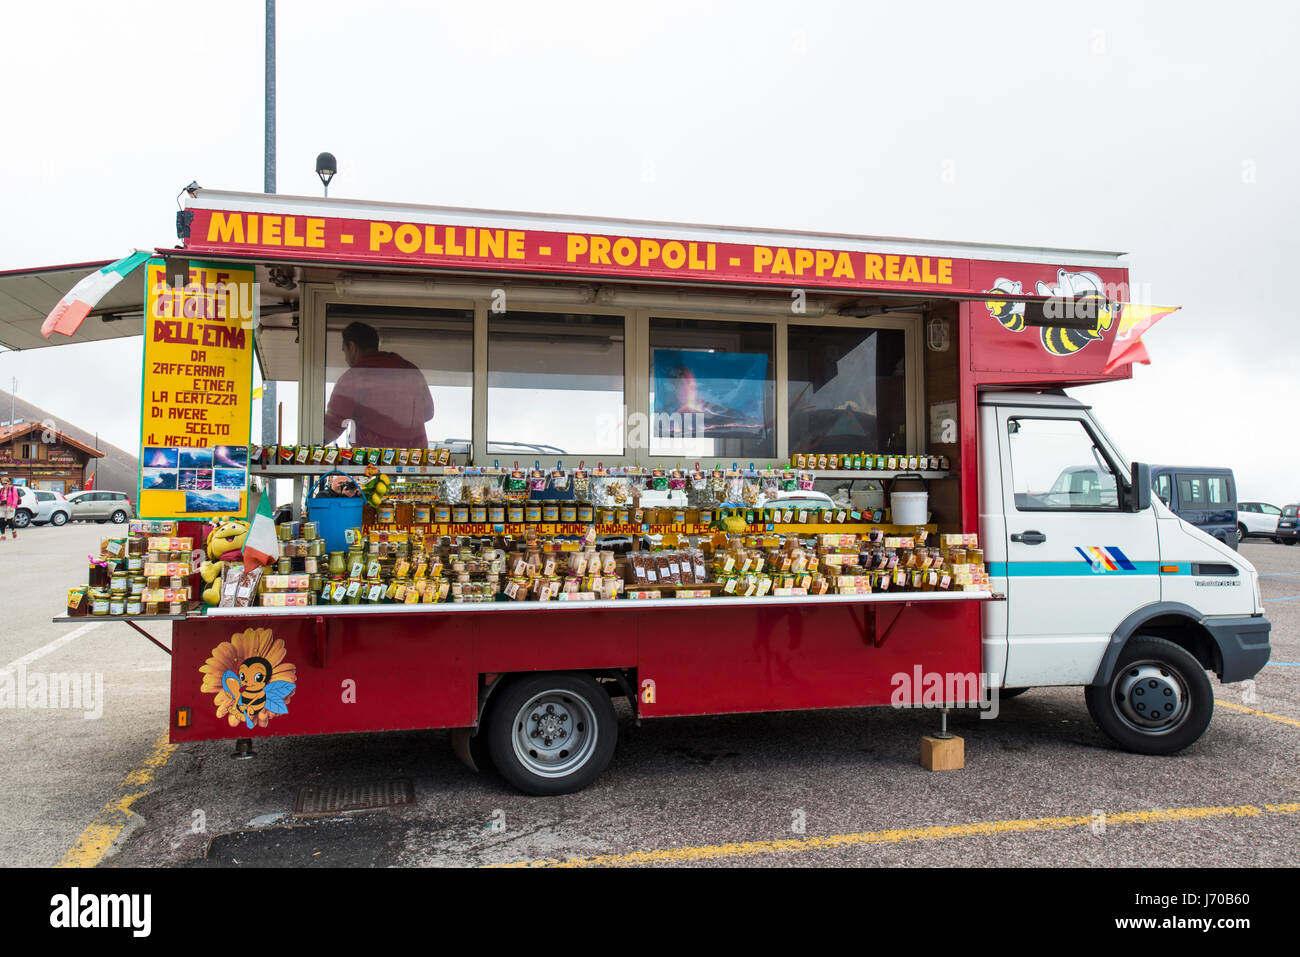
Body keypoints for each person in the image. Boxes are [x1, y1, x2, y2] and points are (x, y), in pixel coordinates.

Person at [323, 321, 434, 450]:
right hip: (414, 459)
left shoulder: (353, 378)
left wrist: (309, 443)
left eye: (344, 351)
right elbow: (428, 412)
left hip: (376, 459)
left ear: (352, 347)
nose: (345, 359)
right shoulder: (410, 370)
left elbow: (331, 427)